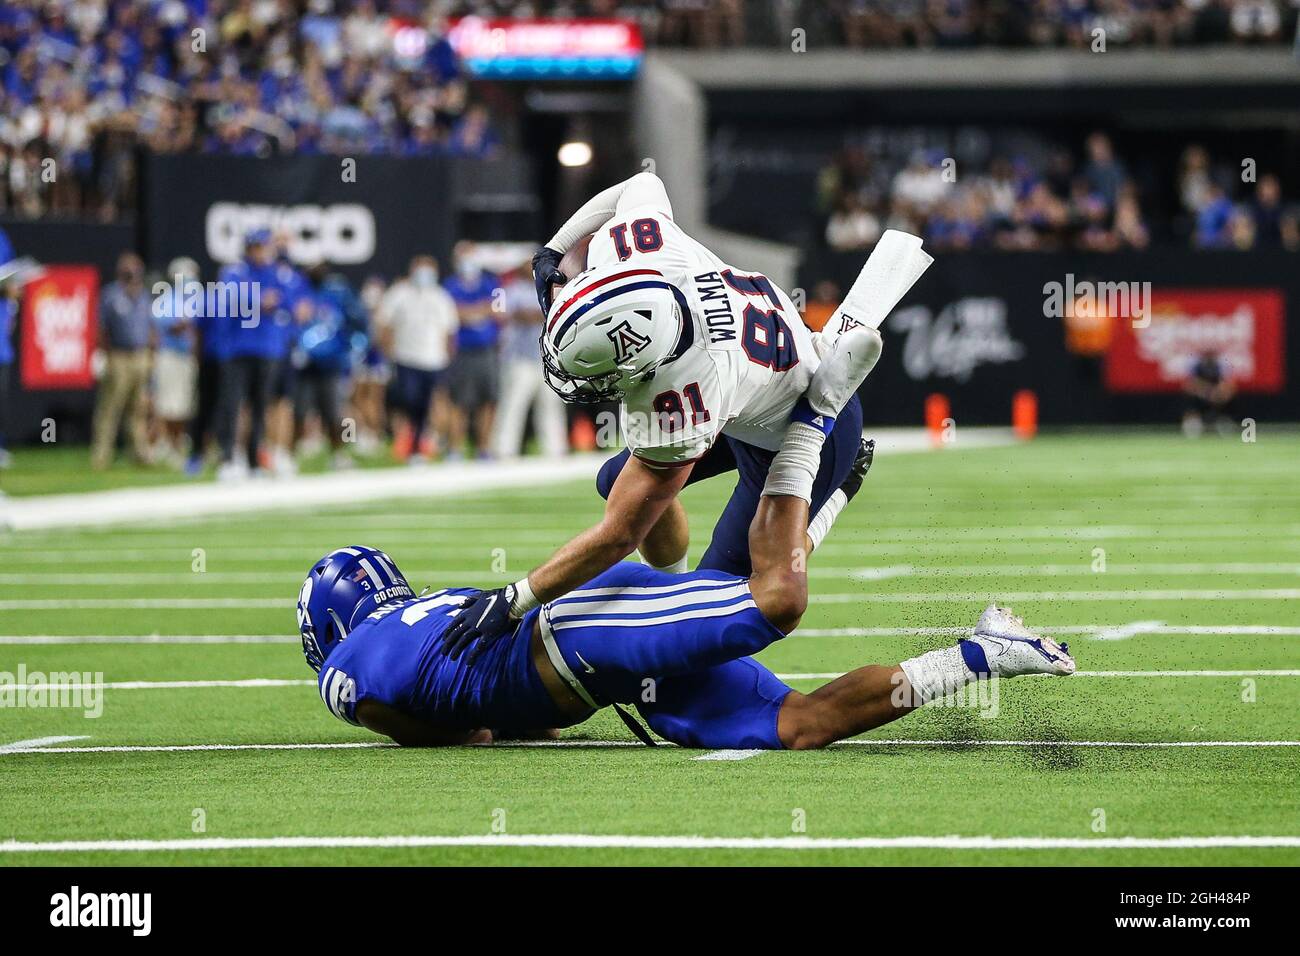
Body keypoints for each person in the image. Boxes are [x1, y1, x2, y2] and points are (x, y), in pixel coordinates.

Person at [300, 395, 1075, 749]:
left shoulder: (353, 663)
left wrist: (464, 731)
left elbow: (400, 714)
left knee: (770, 606)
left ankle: (811, 441)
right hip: (605, 669)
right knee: (802, 727)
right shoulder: (431, 611)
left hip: (585, 637)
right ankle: (982, 651)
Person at [439, 171, 886, 656]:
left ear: (641, 364)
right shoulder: (640, 251)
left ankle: (838, 491)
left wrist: (516, 599)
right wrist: (553, 250)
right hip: (755, 387)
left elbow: (620, 534)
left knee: (722, 608)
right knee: (619, 484)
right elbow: (639, 183)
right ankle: (672, 585)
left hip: (803, 421)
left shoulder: (683, 393)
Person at [376, 255, 458, 463]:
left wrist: (449, 357)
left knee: (435, 403)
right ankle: (410, 445)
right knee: (410, 402)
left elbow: (449, 331)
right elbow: (384, 324)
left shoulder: (441, 296)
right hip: (406, 358)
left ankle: (443, 445)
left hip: (434, 359)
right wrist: (387, 352)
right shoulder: (399, 294)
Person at [215, 229, 282, 481]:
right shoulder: (235, 271)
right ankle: (229, 458)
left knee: (260, 406)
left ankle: (255, 460)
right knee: (232, 404)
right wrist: (258, 299)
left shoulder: (276, 272)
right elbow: (227, 296)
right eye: (257, 247)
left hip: (266, 348)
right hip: (237, 349)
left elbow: (290, 300)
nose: (261, 252)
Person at [492, 264, 568, 459]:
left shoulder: (550, 288)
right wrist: (524, 314)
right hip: (519, 358)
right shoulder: (508, 289)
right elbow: (498, 313)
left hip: (547, 359)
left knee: (551, 405)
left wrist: (530, 314)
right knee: (513, 405)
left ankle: (556, 449)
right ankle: (504, 449)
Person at [91, 252, 154, 470]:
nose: (132, 273)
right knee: (110, 408)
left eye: (135, 268)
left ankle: (139, 453)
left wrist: (150, 355)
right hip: (118, 356)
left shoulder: (145, 296)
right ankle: (101, 455)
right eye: (128, 269)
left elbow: (150, 328)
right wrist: (101, 354)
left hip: (140, 355)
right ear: (120, 271)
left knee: (138, 409)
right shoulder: (110, 294)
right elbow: (100, 328)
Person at [443, 241, 501, 459]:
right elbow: (451, 313)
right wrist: (481, 310)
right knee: (460, 401)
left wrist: (469, 312)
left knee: (488, 400)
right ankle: (455, 448)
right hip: (462, 350)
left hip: (487, 349)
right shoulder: (450, 285)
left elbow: (499, 311)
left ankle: (483, 448)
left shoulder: (490, 283)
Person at [152, 257, 199, 468]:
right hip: (170, 355)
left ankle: (178, 443)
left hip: (188, 357)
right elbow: (170, 326)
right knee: (167, 404)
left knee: (185, 405)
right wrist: (188, 323)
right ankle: (166, 444)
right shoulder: (166, 300)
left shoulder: (198, 299)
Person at [1183, 350, 1239, 438]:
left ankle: (1224, 421)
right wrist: (1206, 391)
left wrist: (1217, 393)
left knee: (1227, 398)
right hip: (1200, 394)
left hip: (1216, 395)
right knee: (1190, 399)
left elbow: (1228, 384)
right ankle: (1193, 424)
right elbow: (1190, 384)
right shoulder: (1196, 365)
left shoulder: (1221, 365)